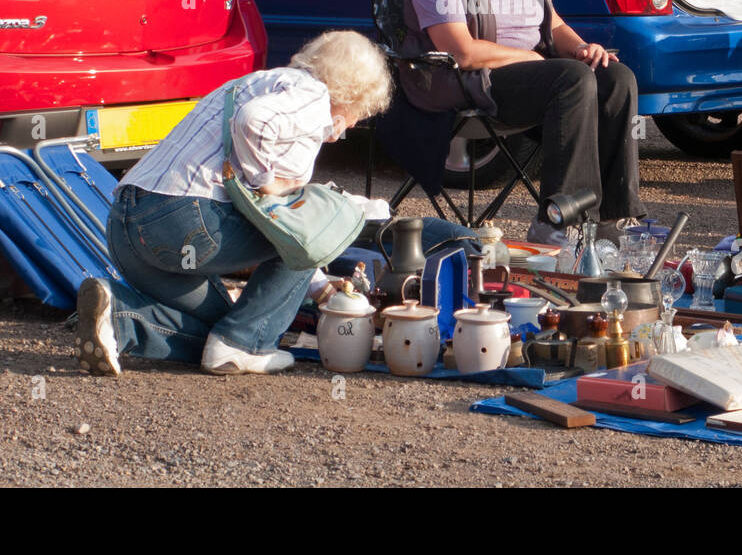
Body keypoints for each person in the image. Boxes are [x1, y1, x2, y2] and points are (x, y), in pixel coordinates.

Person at [75, 30, 476, 377]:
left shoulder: (262, 82)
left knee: (225, 324)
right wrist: (269, 183)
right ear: (354, 95)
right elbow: (254, 124)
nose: (353, 125)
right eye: (360, 115)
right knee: (320, 226)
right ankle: (244, 345)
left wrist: (317, 286)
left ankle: (122, 320)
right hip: (179, 219)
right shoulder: (313, 96)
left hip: (128, 226)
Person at [400, 0, 646, 245]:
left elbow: (552, 22)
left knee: (615, 77)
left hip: (536, 75)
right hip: (472, 83)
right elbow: (461, 51)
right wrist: (530, 57)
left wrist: (584, 48)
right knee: (571, 79)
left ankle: (613, 219)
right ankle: (558, 220)